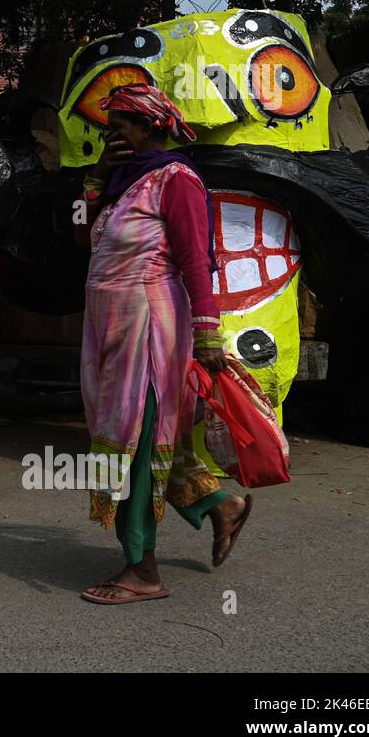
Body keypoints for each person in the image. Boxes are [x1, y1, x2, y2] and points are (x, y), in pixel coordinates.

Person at [77, 84, 253, 605]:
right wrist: (97, 176)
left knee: (133, 442)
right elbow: (86, 236)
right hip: (109, 326)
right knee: (152, 437)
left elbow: (196, 260)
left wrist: (207, 333)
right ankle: (222, 508)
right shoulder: (124, 184)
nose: (113, 138)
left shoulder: (177, 180)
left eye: (121, 127)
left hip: (150, 328)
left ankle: (143, 571)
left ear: (153, 126)